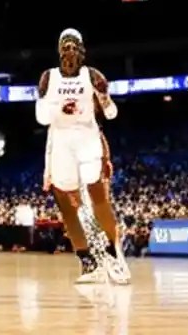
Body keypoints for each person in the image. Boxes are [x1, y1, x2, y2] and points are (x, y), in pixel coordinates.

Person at [36, 29, 129, 285]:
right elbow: (42, 118)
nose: (69, 51)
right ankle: (89, 264)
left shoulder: (93, 75)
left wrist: (105, 96)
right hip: (61, 141)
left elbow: (111, 115)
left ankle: (114, 253)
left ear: (82, 50)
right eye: (64, 47)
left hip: (87, 137)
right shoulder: (48, 78)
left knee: (96, 192)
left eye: (74, 46)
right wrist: (57, 105)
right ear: (58, 51)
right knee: (68, 208)